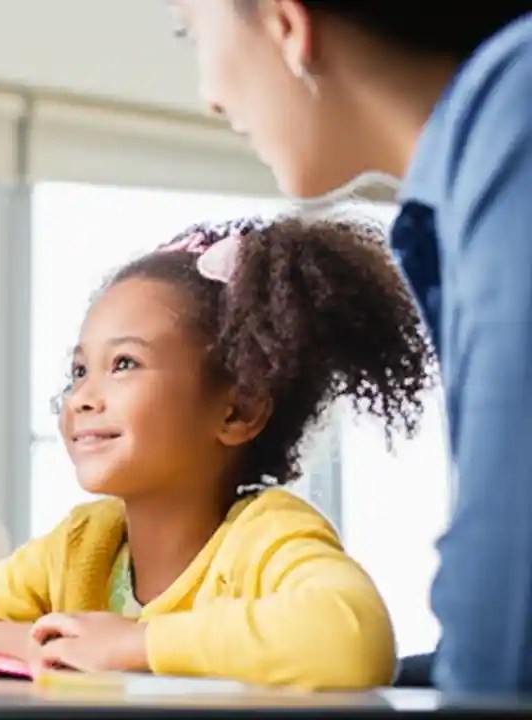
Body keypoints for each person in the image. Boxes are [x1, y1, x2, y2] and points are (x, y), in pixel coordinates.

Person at [167, 0, 532, 693]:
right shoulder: (467, 179)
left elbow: (507, 622)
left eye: (192, 34)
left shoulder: (514, 115)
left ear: (285, 22)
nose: (210, 97)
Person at [0, 215, 434, 689]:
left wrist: (137, 644)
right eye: (79, 371)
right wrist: (11, 640)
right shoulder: (79, 546)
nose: (83, 399)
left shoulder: (266, 535)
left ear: (238, 412)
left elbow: (354, 640)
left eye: (124, 364)